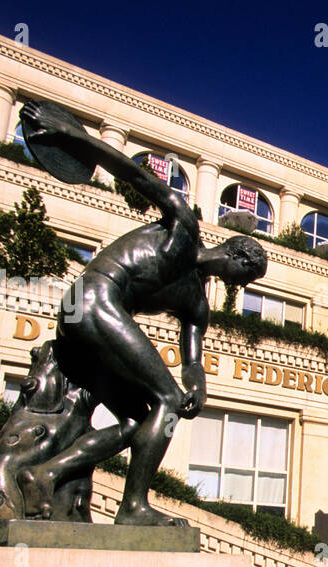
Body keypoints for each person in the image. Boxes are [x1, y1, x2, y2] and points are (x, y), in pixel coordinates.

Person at [15, 100, 268, 526]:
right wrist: (78, 136)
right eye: (243, 275)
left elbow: (192, 360)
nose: (236, 286)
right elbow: (136, 175)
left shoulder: (196, 303)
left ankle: (44, 474)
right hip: (93, 300)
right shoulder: (183, 232)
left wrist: (198, 387)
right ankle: (133, 507)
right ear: (233, 253)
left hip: (93, 326)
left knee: (142, 417)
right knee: (164, 398)